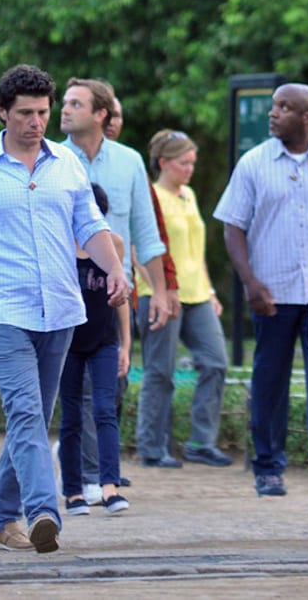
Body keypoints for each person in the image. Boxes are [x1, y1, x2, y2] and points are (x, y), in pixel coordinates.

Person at [0, 64, 128, 554]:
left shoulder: (68, 165)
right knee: (25, 410)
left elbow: (90, 225)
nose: (36, 122)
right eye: (24, 114)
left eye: (42, 112)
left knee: (34, 414)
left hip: (59, 306)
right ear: (2, 113)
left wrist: (116, 268)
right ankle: (43, 511)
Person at [214, 83, 308, 498]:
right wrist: (249, 281)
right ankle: (268, 468)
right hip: (273, 293)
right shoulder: (253, 163)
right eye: (274, 105)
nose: (272, 113)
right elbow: (233, 226)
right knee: (269, 380)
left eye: (284, 107)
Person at [60, 78, 172, 476]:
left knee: (113, 387)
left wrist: (159, 290)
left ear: (100, 114)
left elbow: (147, 231)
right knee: (77, 394)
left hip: (115, 295)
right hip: (65, 293)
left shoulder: (129, 162)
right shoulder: (51, 159)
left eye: (76, 103)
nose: (64, 109)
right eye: (65, 102)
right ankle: (90, 475)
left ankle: (98, 465)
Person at [135, 129, 232, 468]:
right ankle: (152, 447)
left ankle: (201, 443)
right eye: (183, 163)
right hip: (160, 294)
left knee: (216, 362)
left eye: (193, 163)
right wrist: (159, 291)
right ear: (163, 162)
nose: (190, 169)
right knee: (160, 371)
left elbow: (196, 249)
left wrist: (209, 289)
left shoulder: (188, 195)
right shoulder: (149, 197)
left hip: (196, 294)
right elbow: (138, 250)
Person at [58, 183, 132, 515]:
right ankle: (73, 491)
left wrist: (126, 345)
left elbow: (121, 298)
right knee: (72, 416)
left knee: (105, 410)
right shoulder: (59, 244)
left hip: (104, 340)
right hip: (68, 342)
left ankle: (110, 487)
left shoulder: (113, 244)